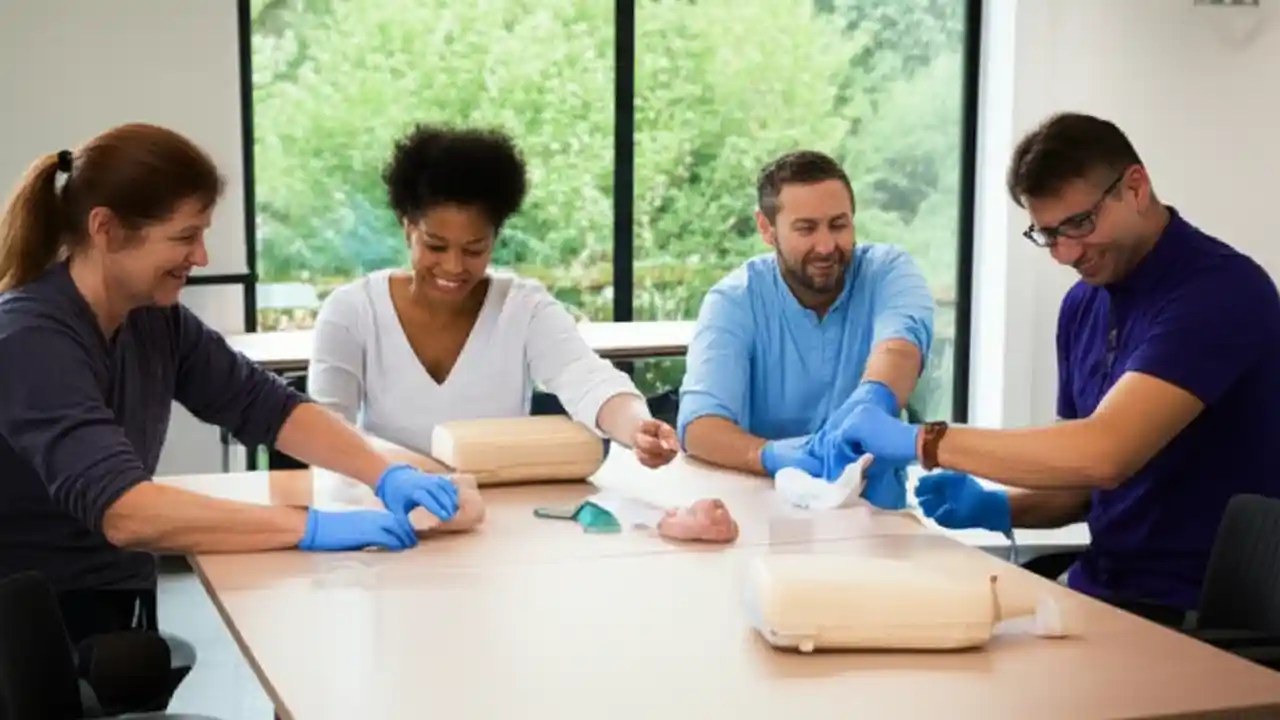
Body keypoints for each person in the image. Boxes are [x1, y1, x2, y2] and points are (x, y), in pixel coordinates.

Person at [0, 123, 477, 672]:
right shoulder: (30, 340)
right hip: (28, 627)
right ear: (106, 229)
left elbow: (266, 405)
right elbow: (126, 512)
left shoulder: (155, 320)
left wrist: (383, 473)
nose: (200, 256)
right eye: (184, 236)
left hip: (107, 603)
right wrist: (311, 527)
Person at [835, 112, 1280, 624]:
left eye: (1079, 224)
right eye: (1047, 234)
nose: (1065, 253)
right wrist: (1001, 506)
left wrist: (926, 442)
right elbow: (1080, 482)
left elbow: (1104, 453)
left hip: (1196, 616)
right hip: (1104, 588)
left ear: (1135, 187)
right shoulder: (1083, 305)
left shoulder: (1219, 292)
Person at [307, 124, 679, 468]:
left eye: (474, 250)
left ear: (495, 238)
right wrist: (398, 477)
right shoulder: (352, 311)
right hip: (384, 506)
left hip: (500, 511)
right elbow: (324, 428)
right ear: (408, 229)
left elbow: (586, 379)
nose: (454, 267)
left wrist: (636, 428)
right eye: (436, 246)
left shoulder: (524, 308)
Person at [676, 149, 935, 508]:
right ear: (767, 228)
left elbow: (901, 347)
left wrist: (873, 399)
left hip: (874, 512)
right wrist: (767, 455)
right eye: (806, 228)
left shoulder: (888, 272)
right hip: (763, 514)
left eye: (839, 224)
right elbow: (699, 426)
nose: (826, 246)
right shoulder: (734, 300)